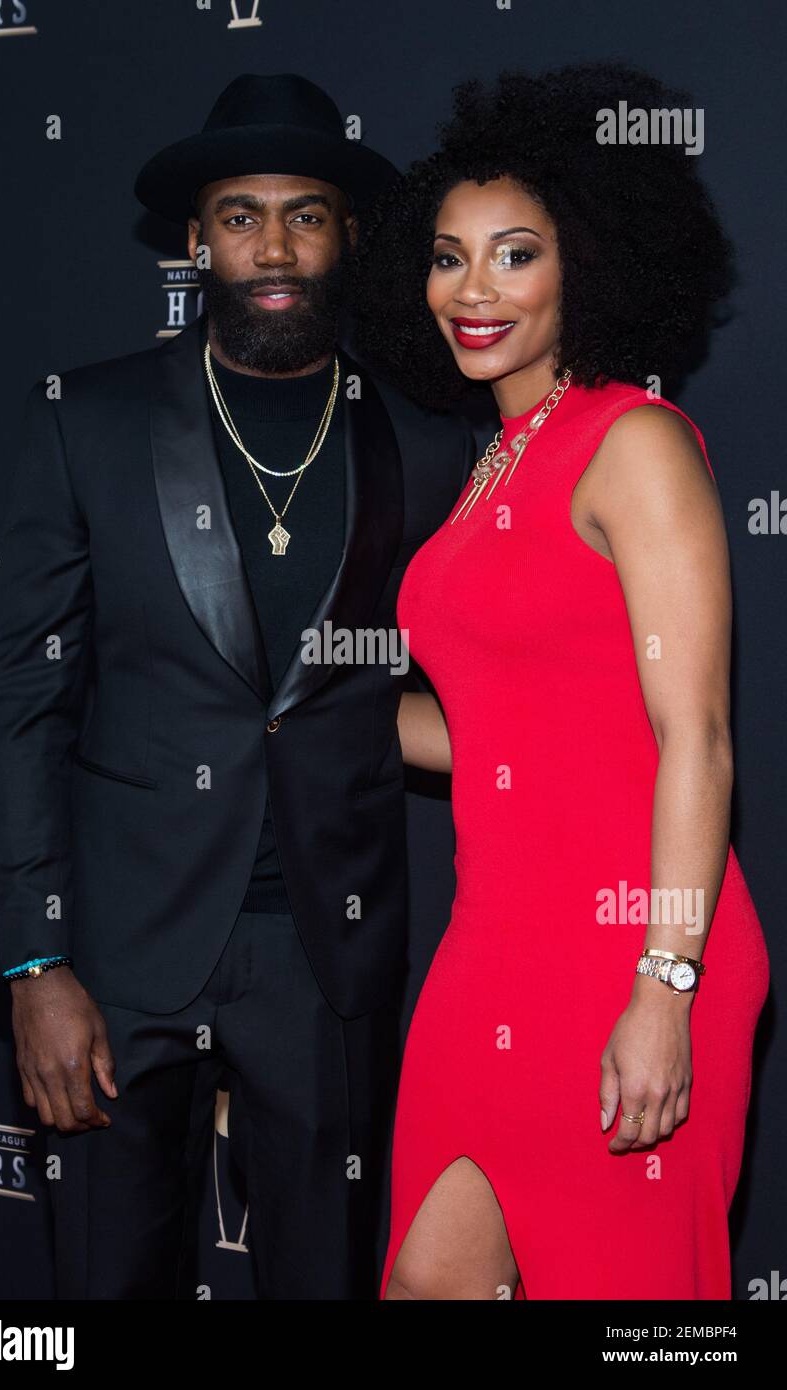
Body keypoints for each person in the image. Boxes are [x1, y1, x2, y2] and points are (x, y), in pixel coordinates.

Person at [0, 72, 474, 1300]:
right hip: (119, 953)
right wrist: (34, 968)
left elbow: (477, 679)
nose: (274, 245)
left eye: (305, 214)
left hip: (327, 953)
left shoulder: (422, 441)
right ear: (196, 239)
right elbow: (26, 708)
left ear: (347, 236)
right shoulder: (84, 423)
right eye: (240, 215)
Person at [352, 63, 770, 1300]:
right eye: (447, 256)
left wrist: (666, 987)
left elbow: (694, 733)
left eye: (513, 253)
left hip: (631, 951)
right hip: (487, 948)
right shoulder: (491, 463)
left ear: (587, 262)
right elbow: (488, 727)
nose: (471, 289)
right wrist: (303, 713)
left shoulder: (631, 441)